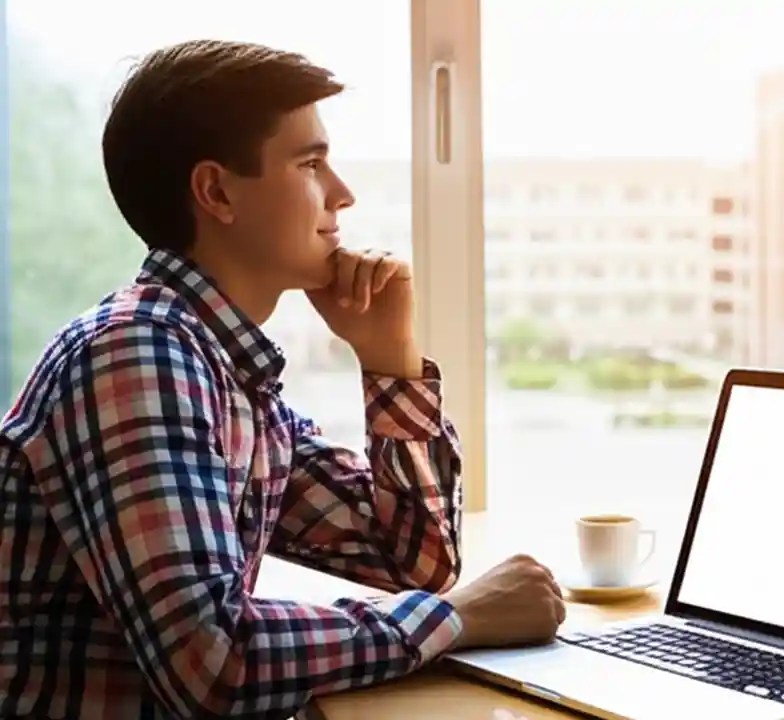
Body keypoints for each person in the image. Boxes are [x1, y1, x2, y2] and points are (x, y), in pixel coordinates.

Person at [0, 39, 564, 718]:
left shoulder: (225, 370)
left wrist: (391, 360)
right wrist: (455, 619)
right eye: (311, 163)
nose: (343, 195)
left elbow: (412, 561)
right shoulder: (137, 356)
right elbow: (216, 663)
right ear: (215, 192)